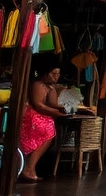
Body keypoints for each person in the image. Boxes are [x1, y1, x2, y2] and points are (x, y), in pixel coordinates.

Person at [17, 55, 73, 184]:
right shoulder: (37, 84)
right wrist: (56, 113)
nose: (56, 77)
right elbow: (39, 105)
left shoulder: (50, 88)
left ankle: (30, 168)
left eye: (58, 74)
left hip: (42, 114)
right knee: (48, 127)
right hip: (33, 114)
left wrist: (64, 108)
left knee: (50, 125)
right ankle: (29, 168)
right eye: (54, 74)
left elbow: (53, 104)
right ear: (46, 73)